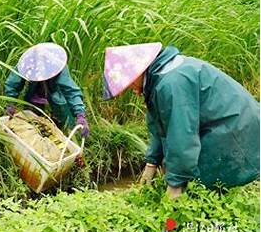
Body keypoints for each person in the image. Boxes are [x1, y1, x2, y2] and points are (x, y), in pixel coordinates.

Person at [102, 42, 259, 199]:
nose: (133, 90)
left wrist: (175, 185)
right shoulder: (159, 77)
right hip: (227, 122)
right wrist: (151, 162)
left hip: (235, 127)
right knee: (194, 182)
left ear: (138, 72)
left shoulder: (171, 84)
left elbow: (182, 137)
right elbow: (161, 126)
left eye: (129, 84)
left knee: (208, 189)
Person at [4, 43, 90, 138]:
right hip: (34, 95)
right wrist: (10, 103)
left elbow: (71, 91)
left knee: (60, 128)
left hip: (55, 97)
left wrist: (80, 114)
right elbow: (13, 83)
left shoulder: (58, 65)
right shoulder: (26, 64)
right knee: (34, 124)